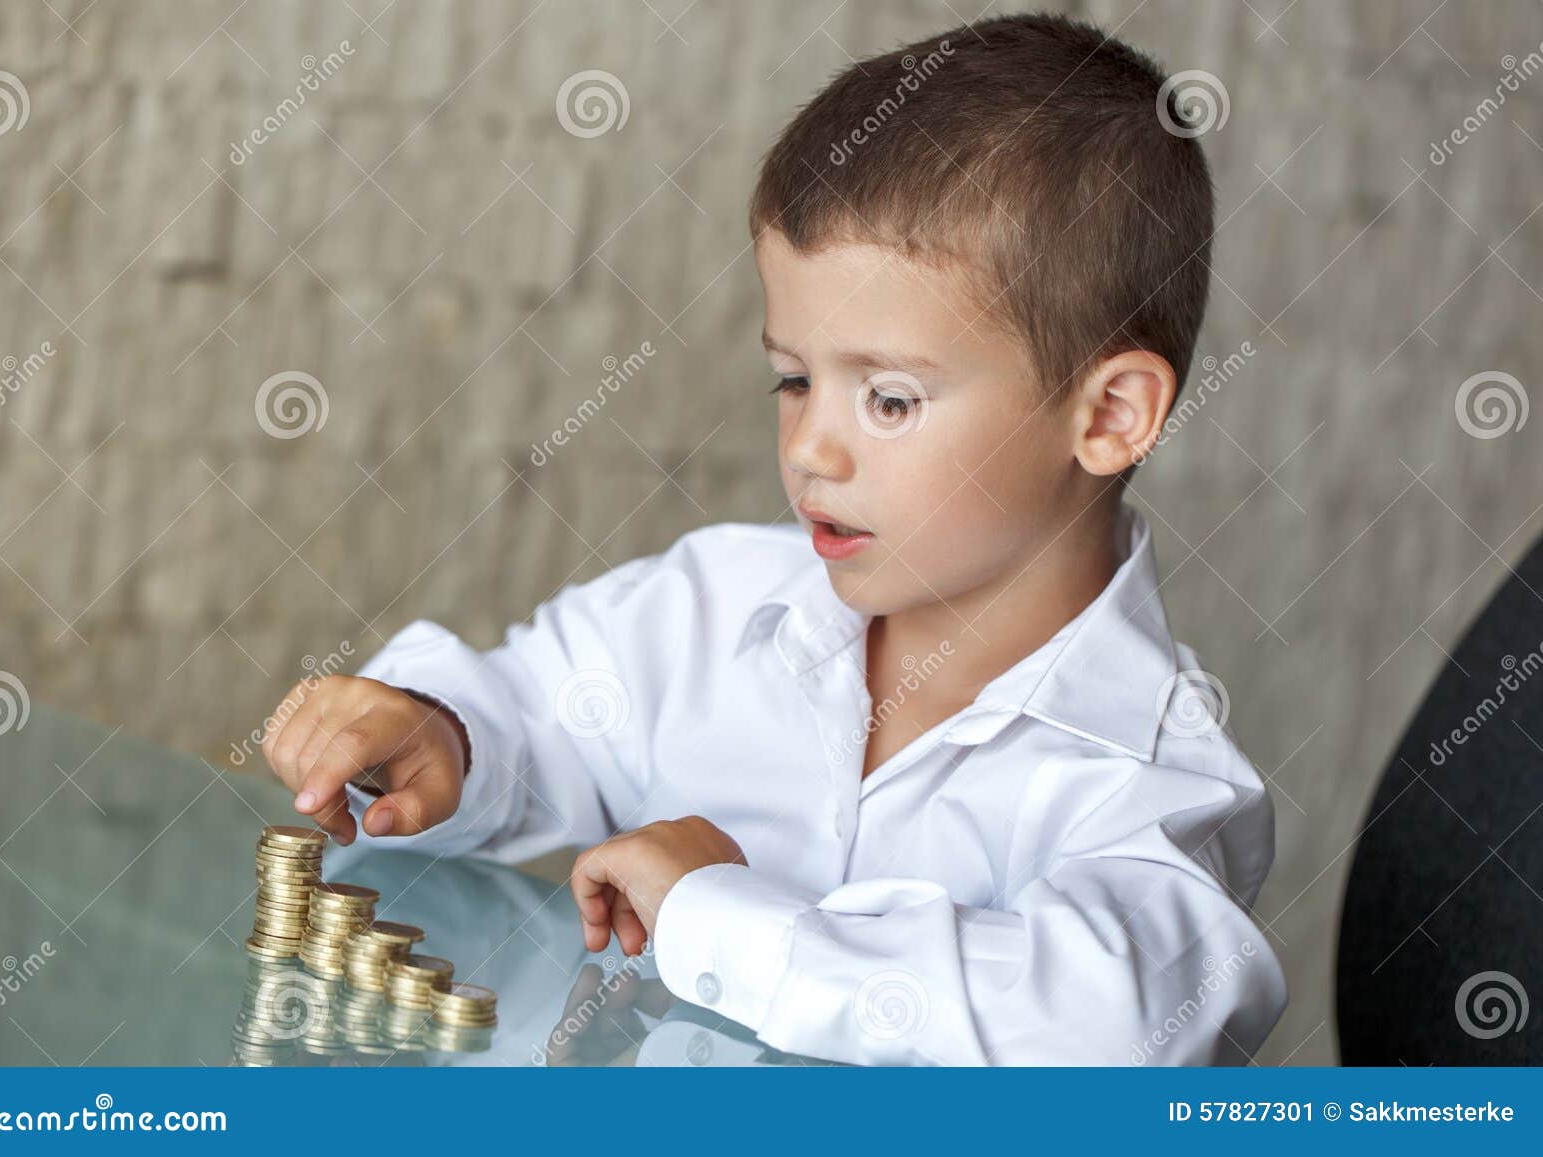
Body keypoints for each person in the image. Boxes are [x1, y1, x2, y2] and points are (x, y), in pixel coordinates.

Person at [258, 11, 1288, 1065]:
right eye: (794, 379)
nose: (810, 452)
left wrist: (721, 913)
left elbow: (1109, 1033)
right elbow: (533, 711)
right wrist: (447, 735)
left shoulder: (1156, 781)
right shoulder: (714, 601)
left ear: (1109, 414)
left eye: (888, 398)